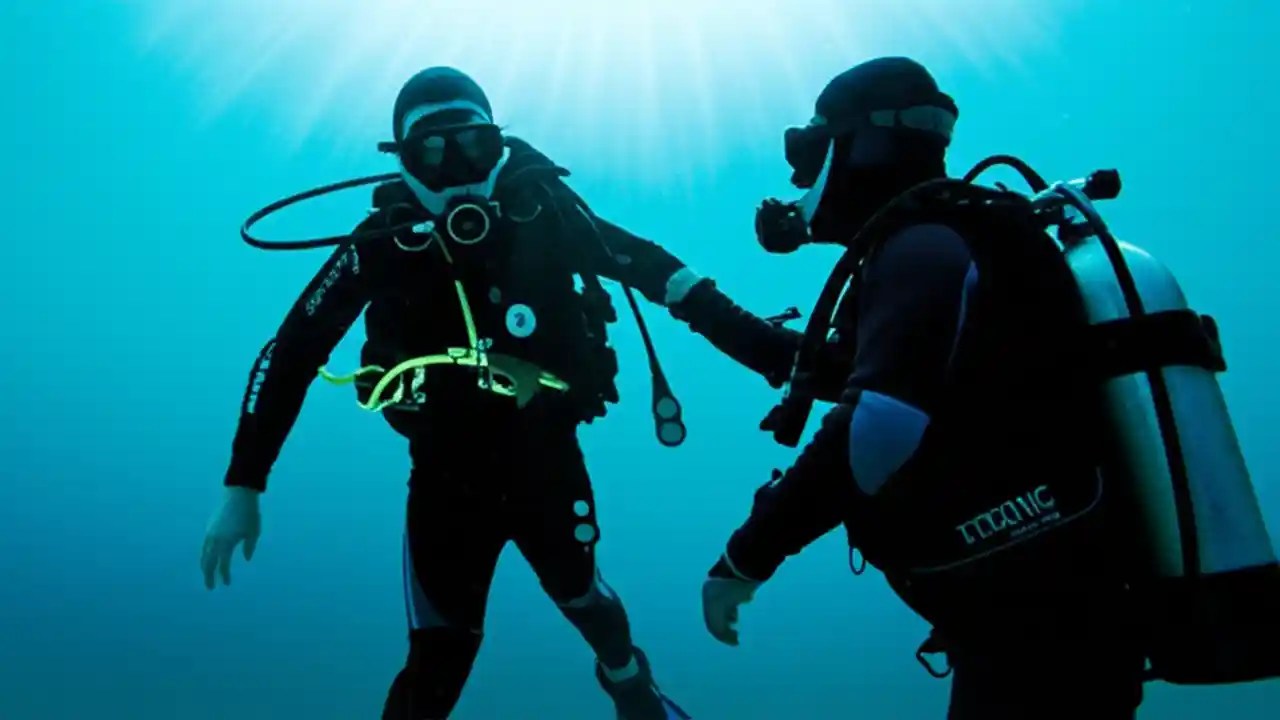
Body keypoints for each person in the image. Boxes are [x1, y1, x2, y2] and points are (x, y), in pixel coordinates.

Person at [200, 66, 801, 720]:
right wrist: (243, 484)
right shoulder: (383, 245)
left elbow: (661, 275)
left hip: (546, 458)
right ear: (402, 164)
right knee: (438, 655)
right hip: (444, 475)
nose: (456, 169)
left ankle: (630, 684)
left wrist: (775, 355)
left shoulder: (546, 213)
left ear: (500, 146)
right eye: (430, 151)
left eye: (474, 145)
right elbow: (290, 351)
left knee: (583, 599)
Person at [702, 56, 1280, 719]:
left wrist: (744, 558)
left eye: (806, 150)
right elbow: (824, 370)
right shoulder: (957, 244)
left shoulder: (920, 245)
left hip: (1037, 621)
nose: (799, 179)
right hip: (1049, 613)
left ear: (863, 142)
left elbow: (879, 429)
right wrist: (681, 291)